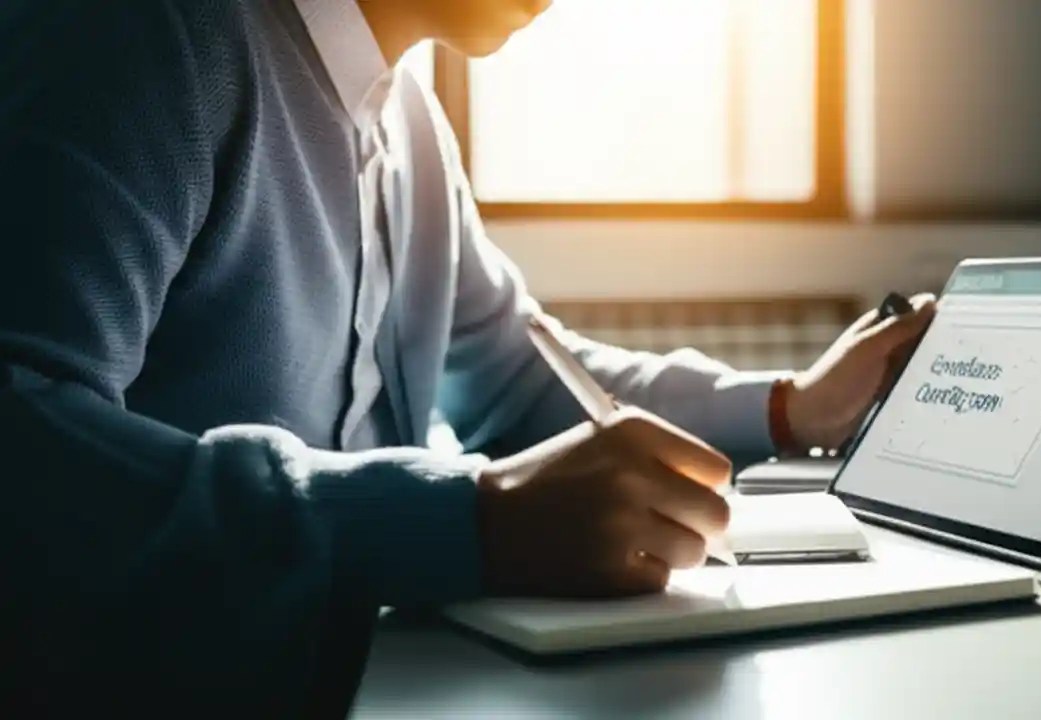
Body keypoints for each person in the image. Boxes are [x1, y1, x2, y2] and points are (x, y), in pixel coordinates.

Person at [0, 0, 935, 716]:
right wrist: (466, 522)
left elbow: (526, 379)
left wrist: (791, 409)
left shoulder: (407, 116)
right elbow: (22, 437)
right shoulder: (141, 35)